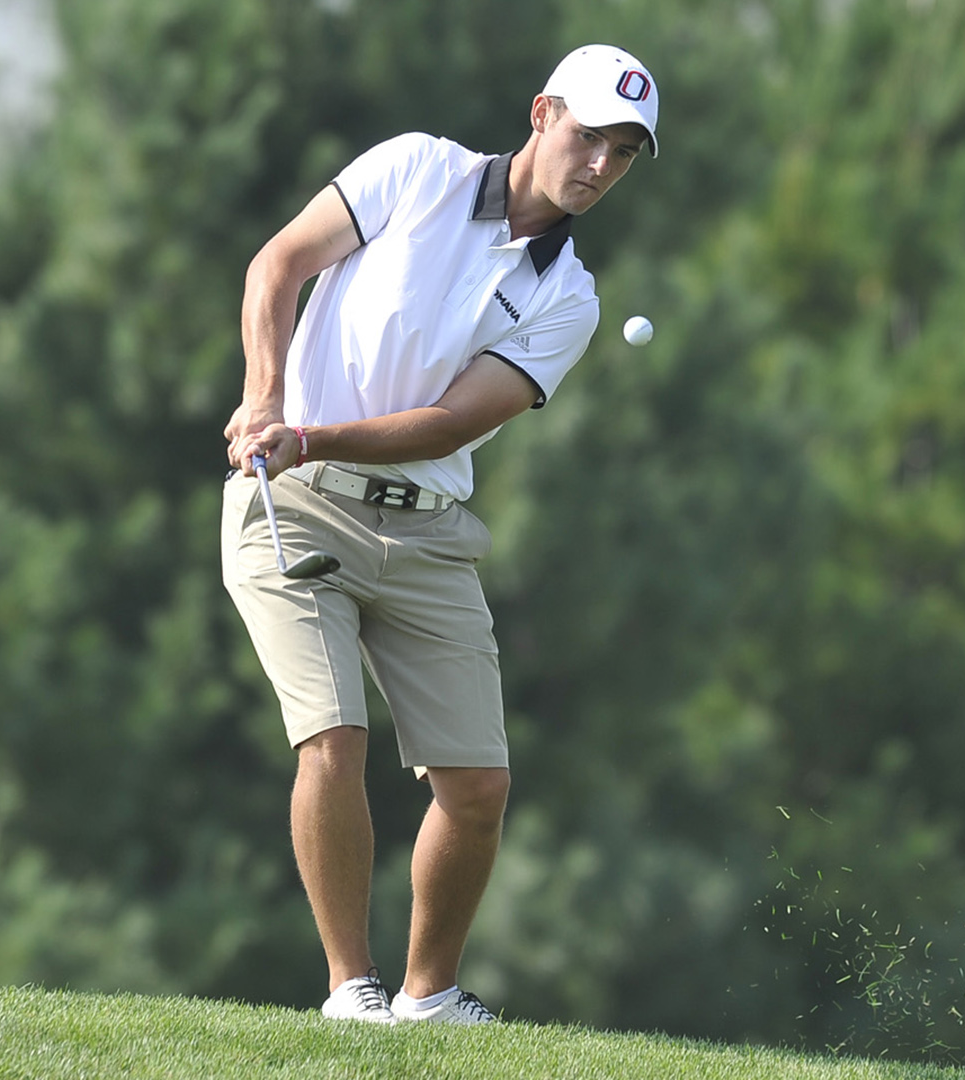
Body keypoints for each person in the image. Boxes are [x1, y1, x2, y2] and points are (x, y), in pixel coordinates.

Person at [219, 44, 659, 1025]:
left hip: (427, 531)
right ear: (542, 114)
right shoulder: (416, 168)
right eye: (588, 136)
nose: (598, 165)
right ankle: (350, 992)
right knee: (333, 737)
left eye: (622, 153)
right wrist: (266, 399)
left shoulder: (569, 297)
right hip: (293, 501)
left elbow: (454, 422)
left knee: (477, 787)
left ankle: (429, 1000)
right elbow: (277, 266)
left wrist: (309, 432)